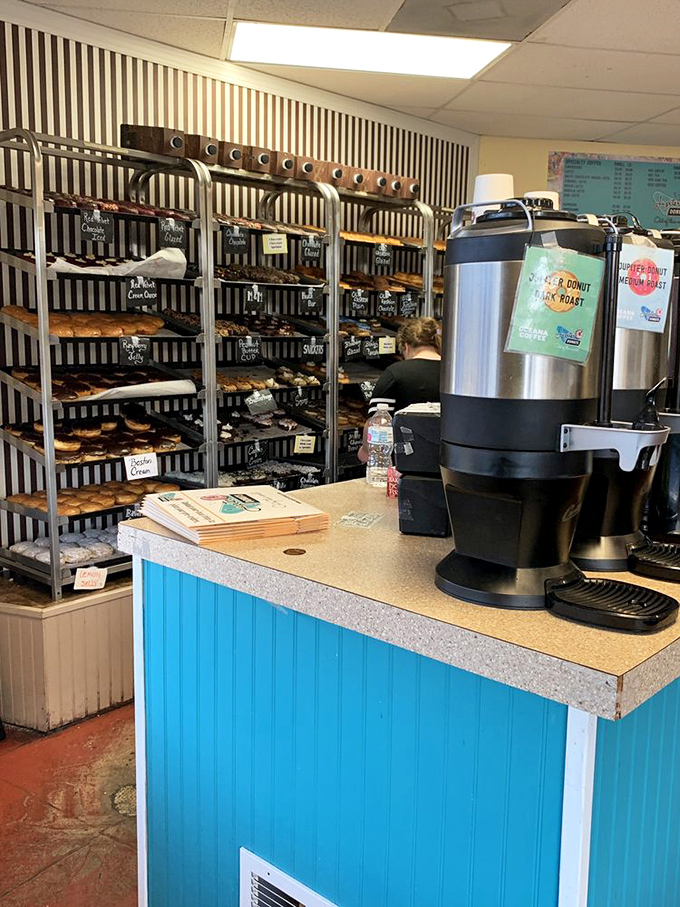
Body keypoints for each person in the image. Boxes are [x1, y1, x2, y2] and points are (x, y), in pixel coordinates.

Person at [358, 316, 441, 463]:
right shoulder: (455, 373)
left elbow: (376, 421)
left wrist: (365, 452)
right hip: (449, 462)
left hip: (405, 461)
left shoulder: (395, 373)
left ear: (406, 346)